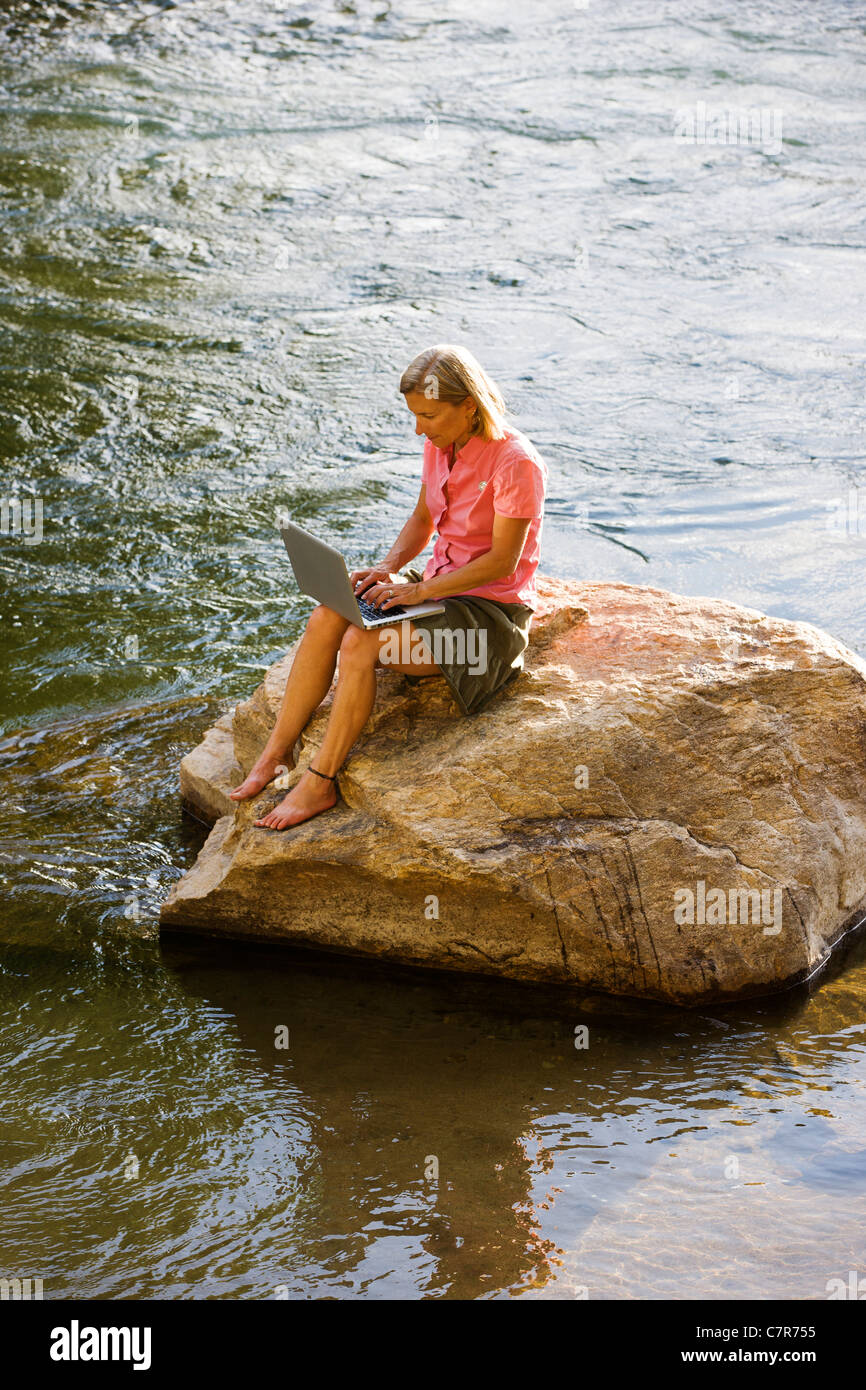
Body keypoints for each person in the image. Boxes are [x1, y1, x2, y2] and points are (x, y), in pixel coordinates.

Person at [230, 343, 547, 830]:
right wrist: (390, 568)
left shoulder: (514, 463)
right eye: (415, 415)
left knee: (360, 642)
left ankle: (320, 784)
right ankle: (277, 750)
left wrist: (416, 594)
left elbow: (502, 561)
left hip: (487, 618)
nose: (420, 428)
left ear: (470, 405)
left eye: (429, 415)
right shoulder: (441, 445)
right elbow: (424, 517)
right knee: (328, 613)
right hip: (439, 589)